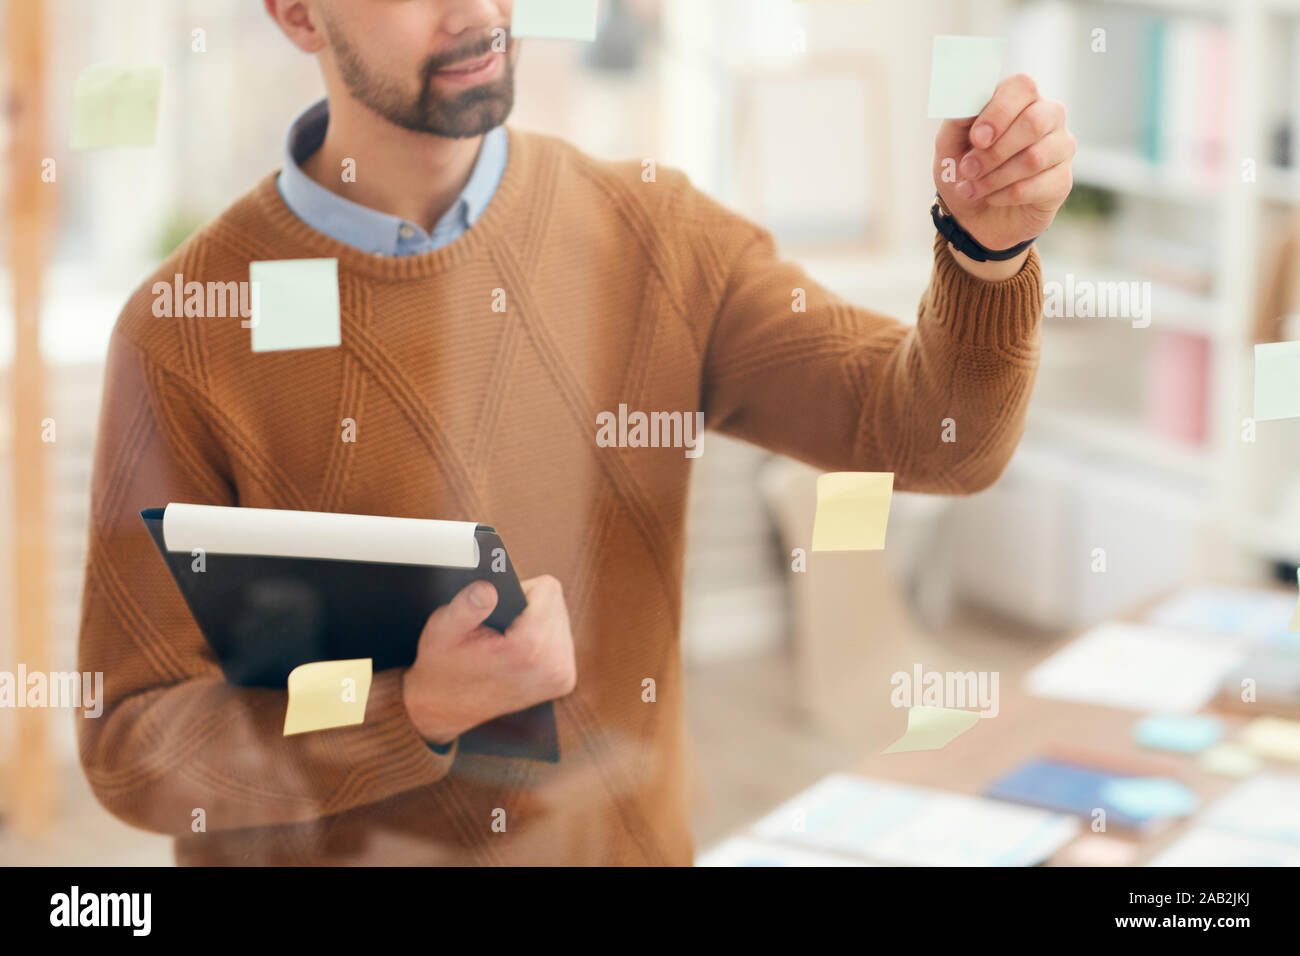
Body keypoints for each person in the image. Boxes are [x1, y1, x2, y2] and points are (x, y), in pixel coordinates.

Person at [78, 0, 1075, 865]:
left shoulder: (657, 236)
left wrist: (985, 253)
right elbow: (138, 746)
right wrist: (410, 707)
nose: (474, 13)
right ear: (298, 16)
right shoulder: (186, 329)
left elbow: (943, 440)